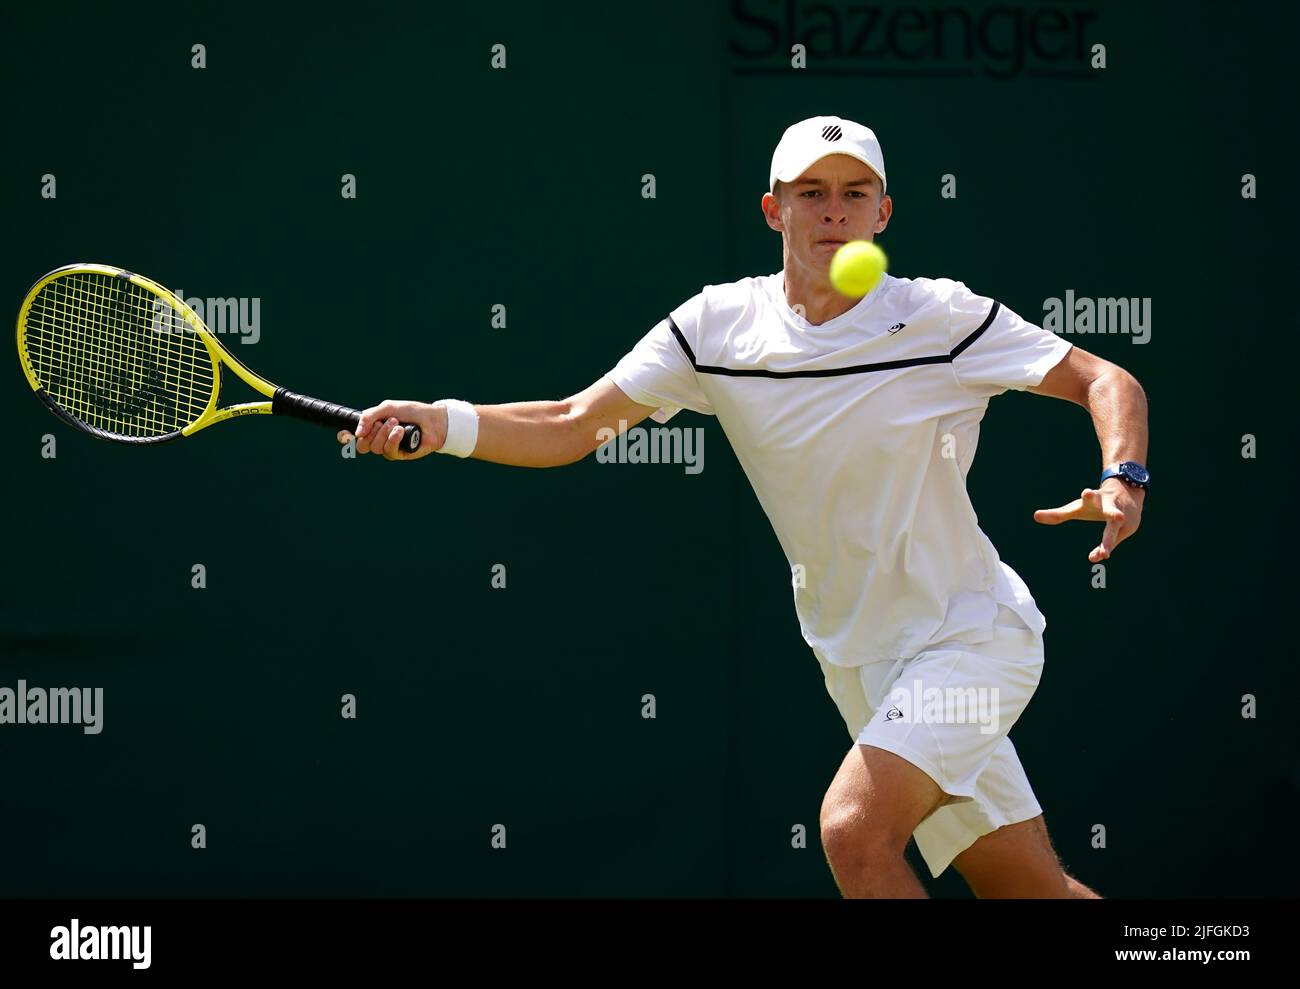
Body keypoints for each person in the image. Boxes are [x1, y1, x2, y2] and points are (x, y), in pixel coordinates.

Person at [338, 115, 1149, 899]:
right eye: (811, 191)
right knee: (1028, 888)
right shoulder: (715, 328)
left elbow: (1104, 378)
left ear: (883, 211)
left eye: (856, 192)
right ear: (773, 209)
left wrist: (1124, 475)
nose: (835, 208)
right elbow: (572, 424)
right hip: (859, 660)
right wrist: (441, 423)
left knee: (852, 832)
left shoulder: (940, 316)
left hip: (972, 638)